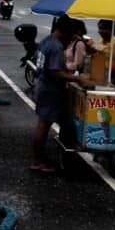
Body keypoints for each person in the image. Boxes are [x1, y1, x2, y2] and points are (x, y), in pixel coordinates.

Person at [31, 17, 92, 172]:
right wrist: (77, 78)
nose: (72, 37)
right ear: (65, 31)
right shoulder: (56, 47)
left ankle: (44, 158)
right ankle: (38, 161)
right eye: (71, 34)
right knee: (43, 126)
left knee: (45, 124)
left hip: (42, 87)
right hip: (49, 90)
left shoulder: (46, 41)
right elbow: (55, 72)